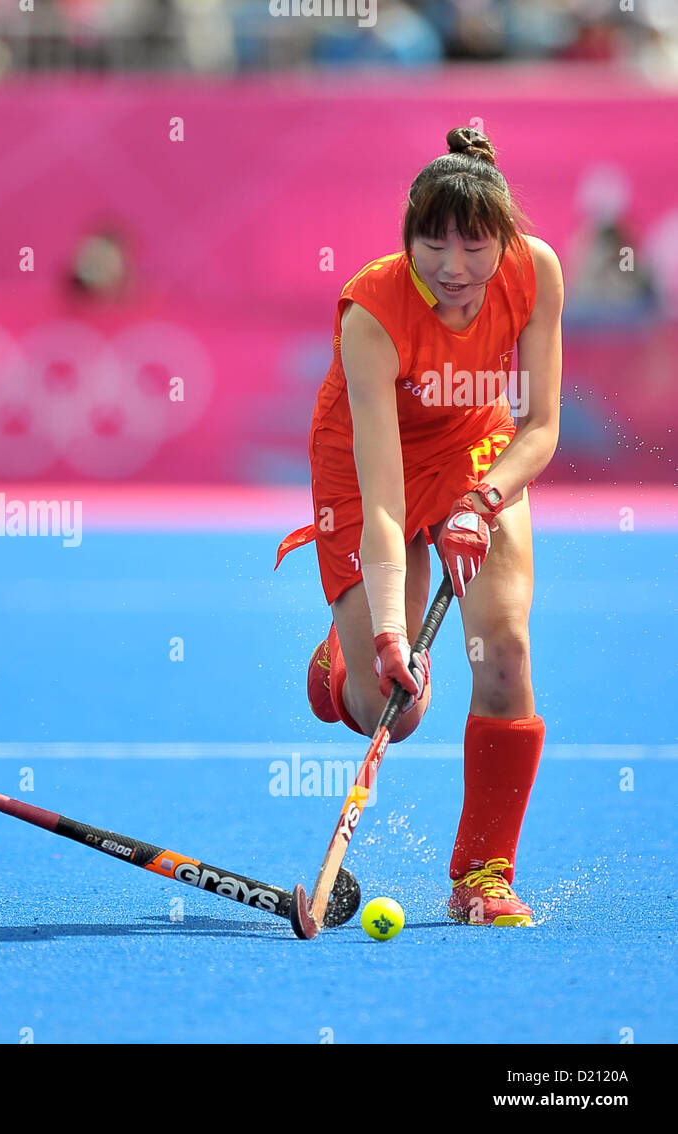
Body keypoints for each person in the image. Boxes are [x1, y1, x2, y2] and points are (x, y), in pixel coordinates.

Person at [276, 127, 564, 927]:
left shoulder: (536, 273)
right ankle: (345, 662)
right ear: (406, 238)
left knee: (503, 646)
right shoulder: (372, 311)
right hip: (367, 464)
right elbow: (384, 498)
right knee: (391, 715)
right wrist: (390, 637)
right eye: (430, 243)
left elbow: (540, 428)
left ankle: (483, 873)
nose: (451, 266)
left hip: (478, 449)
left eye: (473, 246)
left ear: (504, 240)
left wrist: (482, 501)